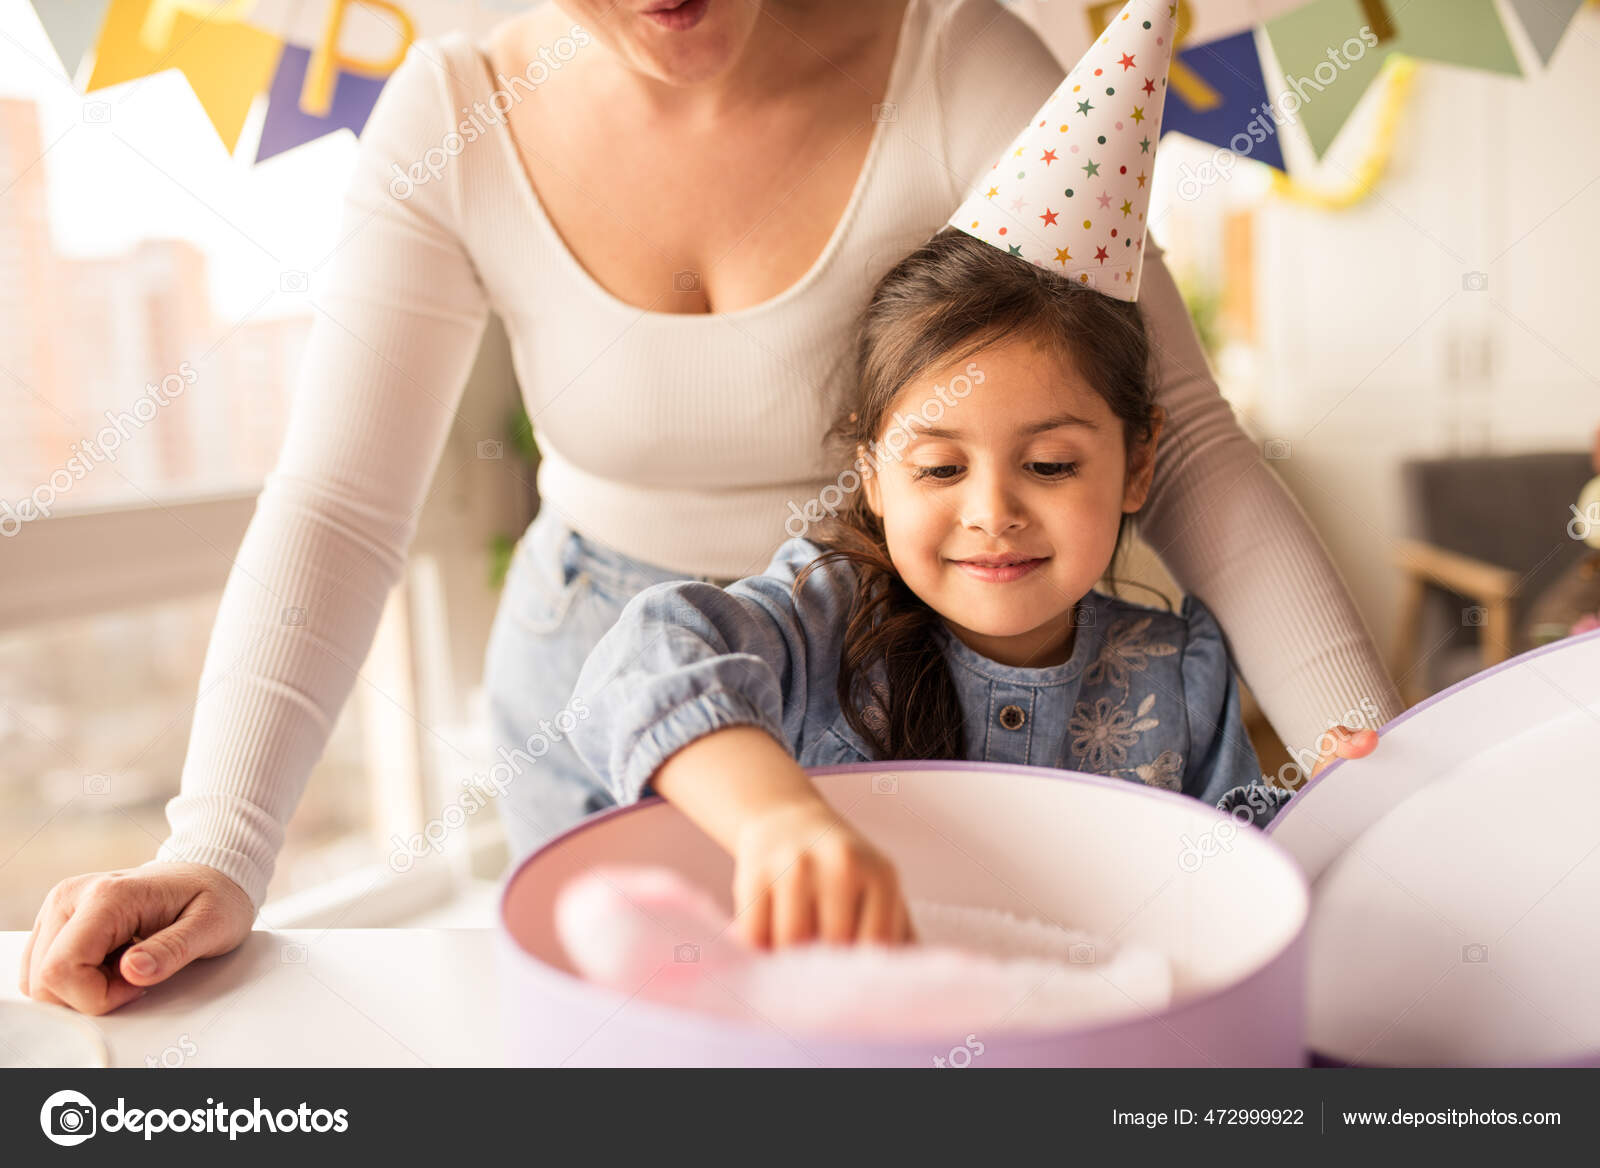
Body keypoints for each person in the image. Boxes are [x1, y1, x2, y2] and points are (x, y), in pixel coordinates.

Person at [21, 0, 1391, 1014]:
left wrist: (1373, 757)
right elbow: (338, 506)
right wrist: (219, 842)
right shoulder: (454, 115)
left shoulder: (953, 56)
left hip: (899, 658)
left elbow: (1189, 437)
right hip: (604, 684)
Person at [568, 226, 1376, 948]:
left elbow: (1232, 896)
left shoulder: (1180, 670)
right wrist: (779, 819)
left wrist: (1325, 816)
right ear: (875, 479)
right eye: (940, 469)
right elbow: (644, 659)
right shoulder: (819, 623)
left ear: (1137, 462)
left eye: (1051, 465)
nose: (992, 514)